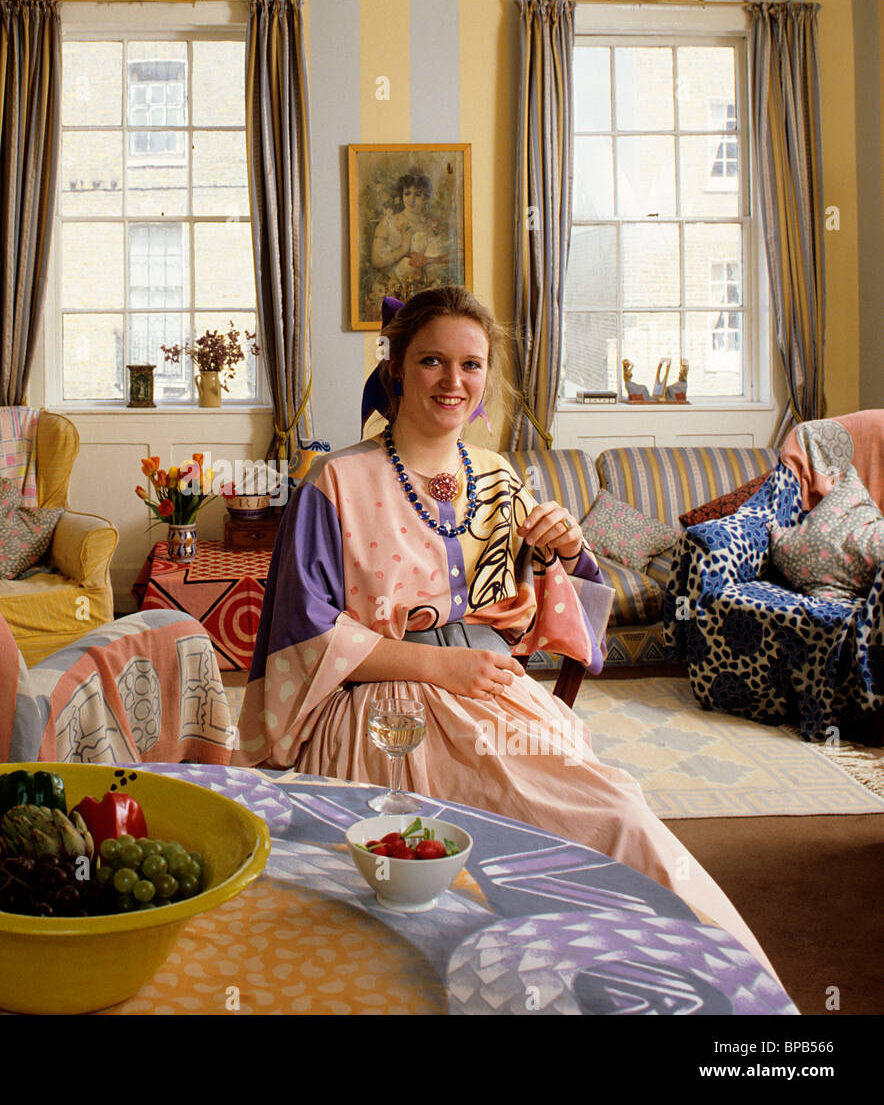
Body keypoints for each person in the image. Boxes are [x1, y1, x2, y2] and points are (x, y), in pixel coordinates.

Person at [231, 286, 777, 977]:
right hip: (379, 709)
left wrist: (566, 549)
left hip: (493, 691)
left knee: (615, 810)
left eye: (472, 364)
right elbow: (303, 634)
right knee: (493, 857)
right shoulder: (333, 481)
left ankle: (714, 982)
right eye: (433, 361)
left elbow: (531, 614)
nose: (453, 381)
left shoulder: (498, 476)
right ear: (395, 366)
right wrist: (441, 669)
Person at [370, 170, 450, 283]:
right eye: (407, 193)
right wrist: (403, 249)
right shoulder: (389, 222)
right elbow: (376, 260)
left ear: (425, 198)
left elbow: (436, 260)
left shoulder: (429, 227)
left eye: (417, 195)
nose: (411, 199)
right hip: (395, 285)